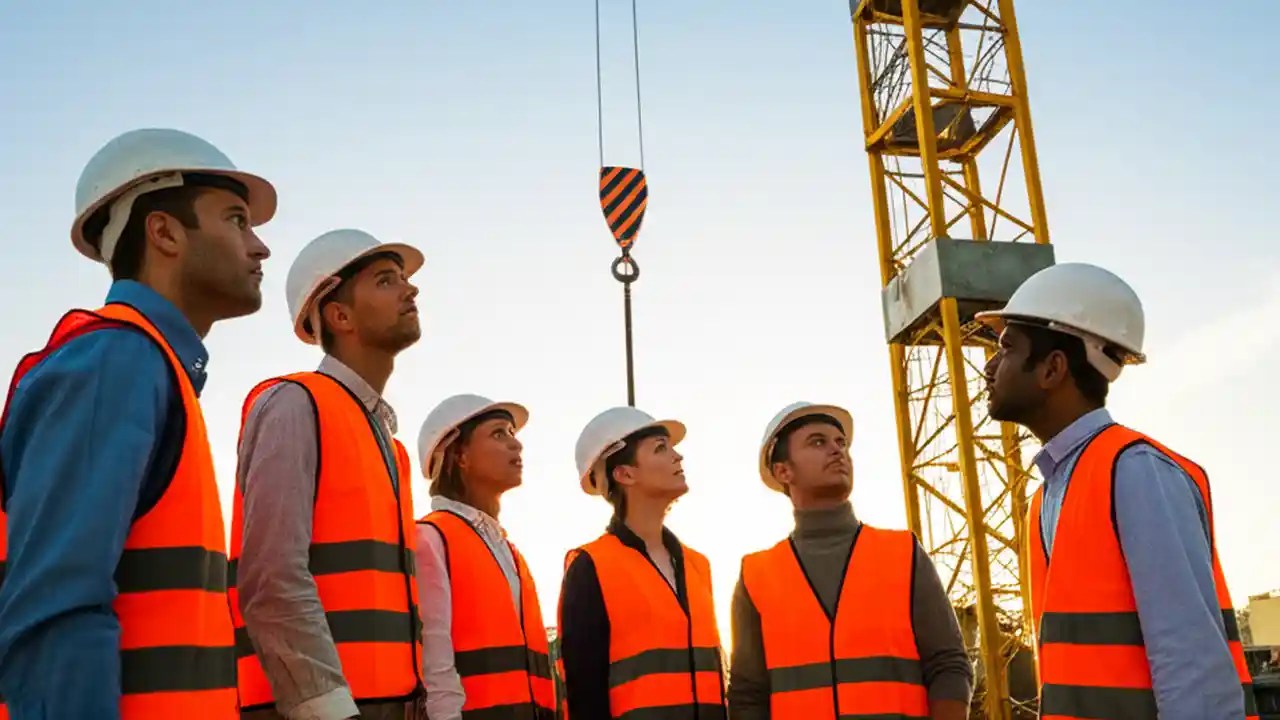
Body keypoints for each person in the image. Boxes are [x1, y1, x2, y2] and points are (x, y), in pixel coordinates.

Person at [0, 127, 276, 719]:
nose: (260, 248)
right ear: (165, 233)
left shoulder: (147, 366)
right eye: (235, 219)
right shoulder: (115, 364)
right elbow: (57, 620)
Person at [976, 262, 1258, 720]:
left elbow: (1192, 664)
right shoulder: (1049, 494)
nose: (989, 368)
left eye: (1006, 348)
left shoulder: (1135, 472)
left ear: (1053, 369)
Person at [230, 229, 426, 720]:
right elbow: (272, 577)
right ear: (339, 316)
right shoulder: (295, 405)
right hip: (320, 709)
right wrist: (328, 708)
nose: (411, 290)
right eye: (386, 281)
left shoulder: (389, 445)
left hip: (392, 703)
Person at [728, 401, 973, 720]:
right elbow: (748, 695)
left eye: (840, 443)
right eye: (818, 442)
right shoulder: (756, 575)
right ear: (783, 471)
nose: (837, 451)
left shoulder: (903, 553)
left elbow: (949, 665)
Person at [558, 406, 727, 720]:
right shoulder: (591, 566)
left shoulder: (697, 565)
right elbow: (584, 695)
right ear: (625, 474)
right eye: (661, 448)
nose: (678, 457)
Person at [413, 394, 556, 720]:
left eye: (512, 433)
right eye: (498, 433)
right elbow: (436, 670)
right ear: (460, 456)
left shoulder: (510, 552)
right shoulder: (431, 539)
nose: (515, 445)